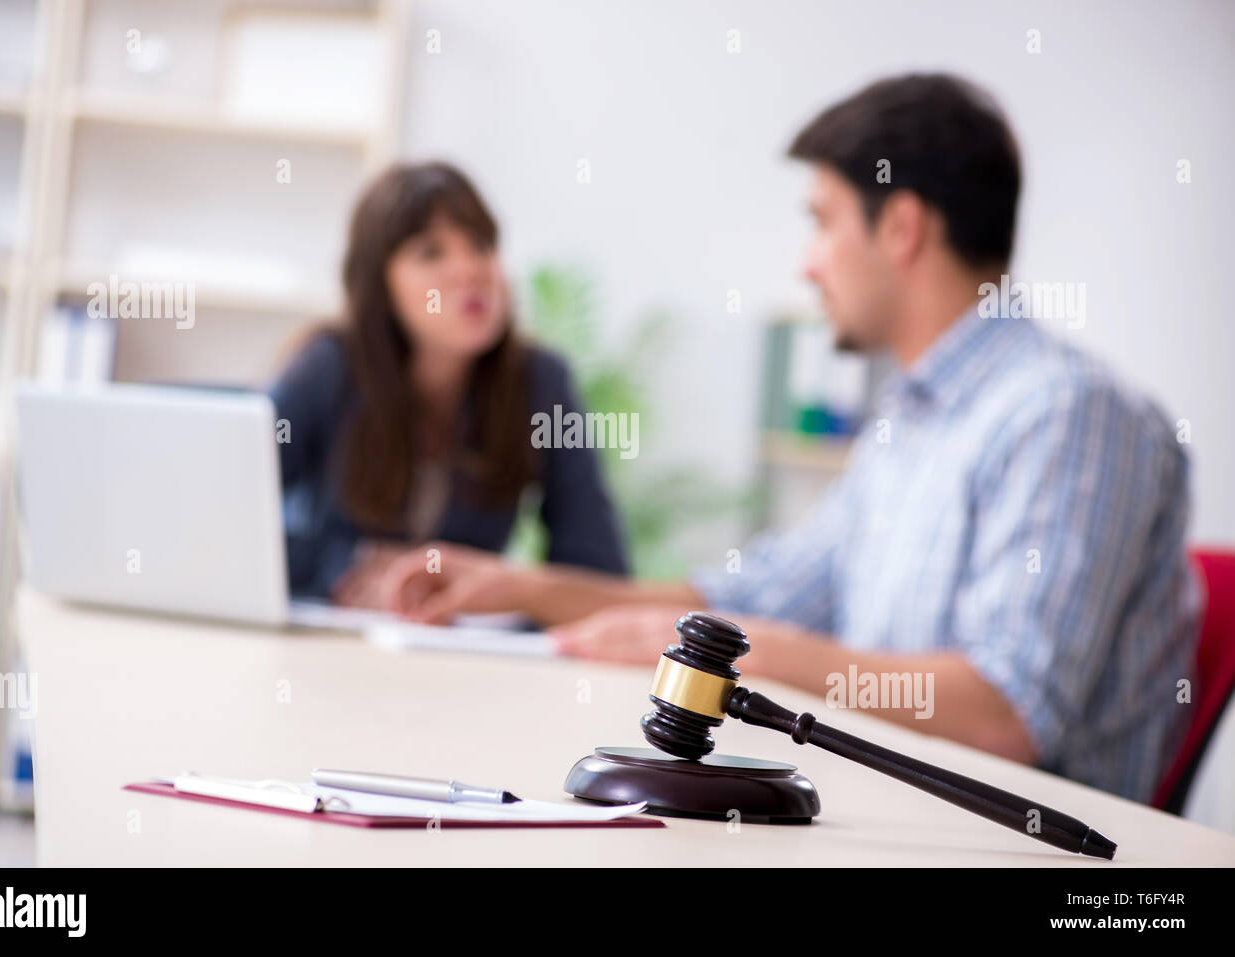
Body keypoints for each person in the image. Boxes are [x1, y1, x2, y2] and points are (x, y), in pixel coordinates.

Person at [373, 76, 1200, 803]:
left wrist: (757, 656)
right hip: (896, 817)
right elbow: (764, 594)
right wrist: (521, 587)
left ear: (902, 227)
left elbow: (1003, 717)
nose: (807, 264)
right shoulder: (911, 420)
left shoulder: (1066, 414)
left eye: (823, 221)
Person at [268, 161, 628, 604]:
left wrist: (508, 588)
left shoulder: (541, 383)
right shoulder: (330, 366)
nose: (469, 270)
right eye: (430, 252)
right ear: (379, 284)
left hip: (461, 647)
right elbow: (228, 515)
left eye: (480, 245)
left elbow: (598, 571)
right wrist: (343, 567)